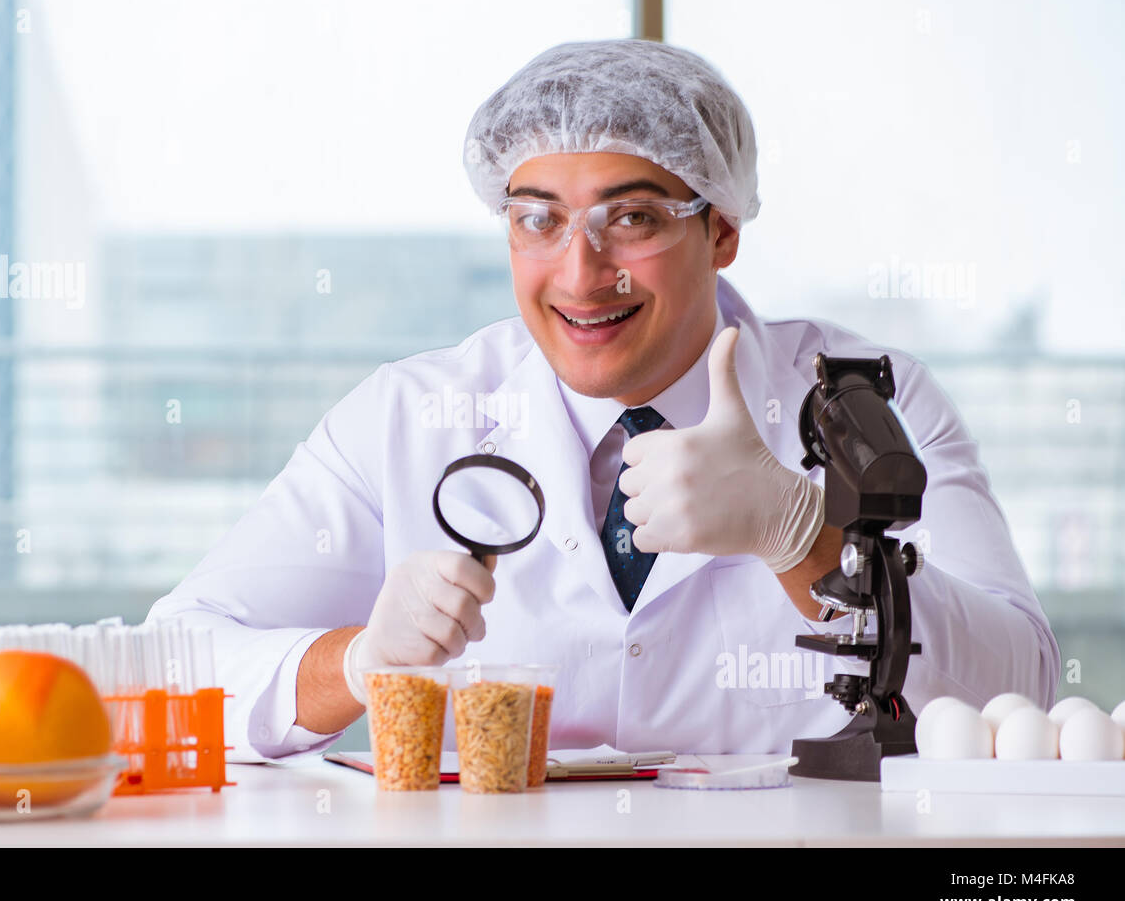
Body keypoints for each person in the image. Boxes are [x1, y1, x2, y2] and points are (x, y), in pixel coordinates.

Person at [146, 39, 1059, 761]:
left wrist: (803, 540)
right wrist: (355, 661)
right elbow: (174, 664)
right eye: (536, 217)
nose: (580, 273)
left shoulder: (864, 398)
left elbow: (1022, 682)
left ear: (723, 228)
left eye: (632, 217)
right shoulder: (409, 416)